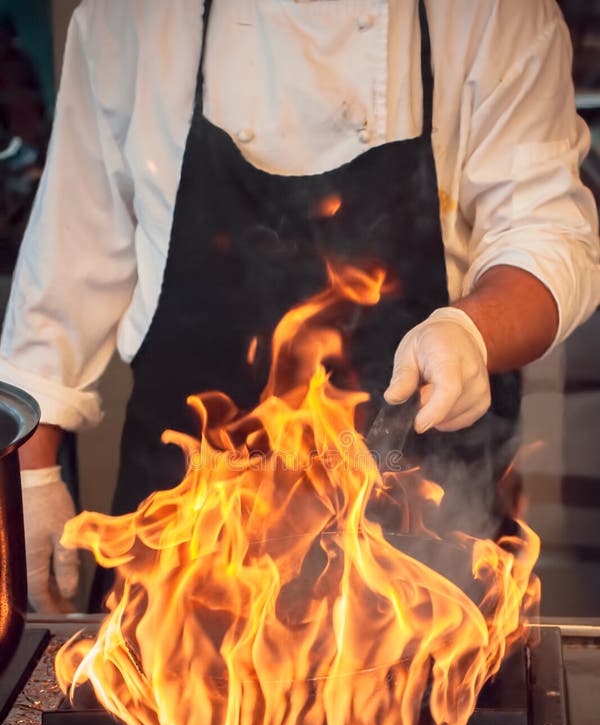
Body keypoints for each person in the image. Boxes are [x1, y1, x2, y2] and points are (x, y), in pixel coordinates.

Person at [0, 0, 598, 613]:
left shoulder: (493, 13)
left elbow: (547, 233)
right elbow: (66, 265)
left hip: (418, 550)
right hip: (184, 544)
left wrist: (471, 331)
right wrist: (29, 478)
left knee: (433, 670)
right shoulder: (127, 19)